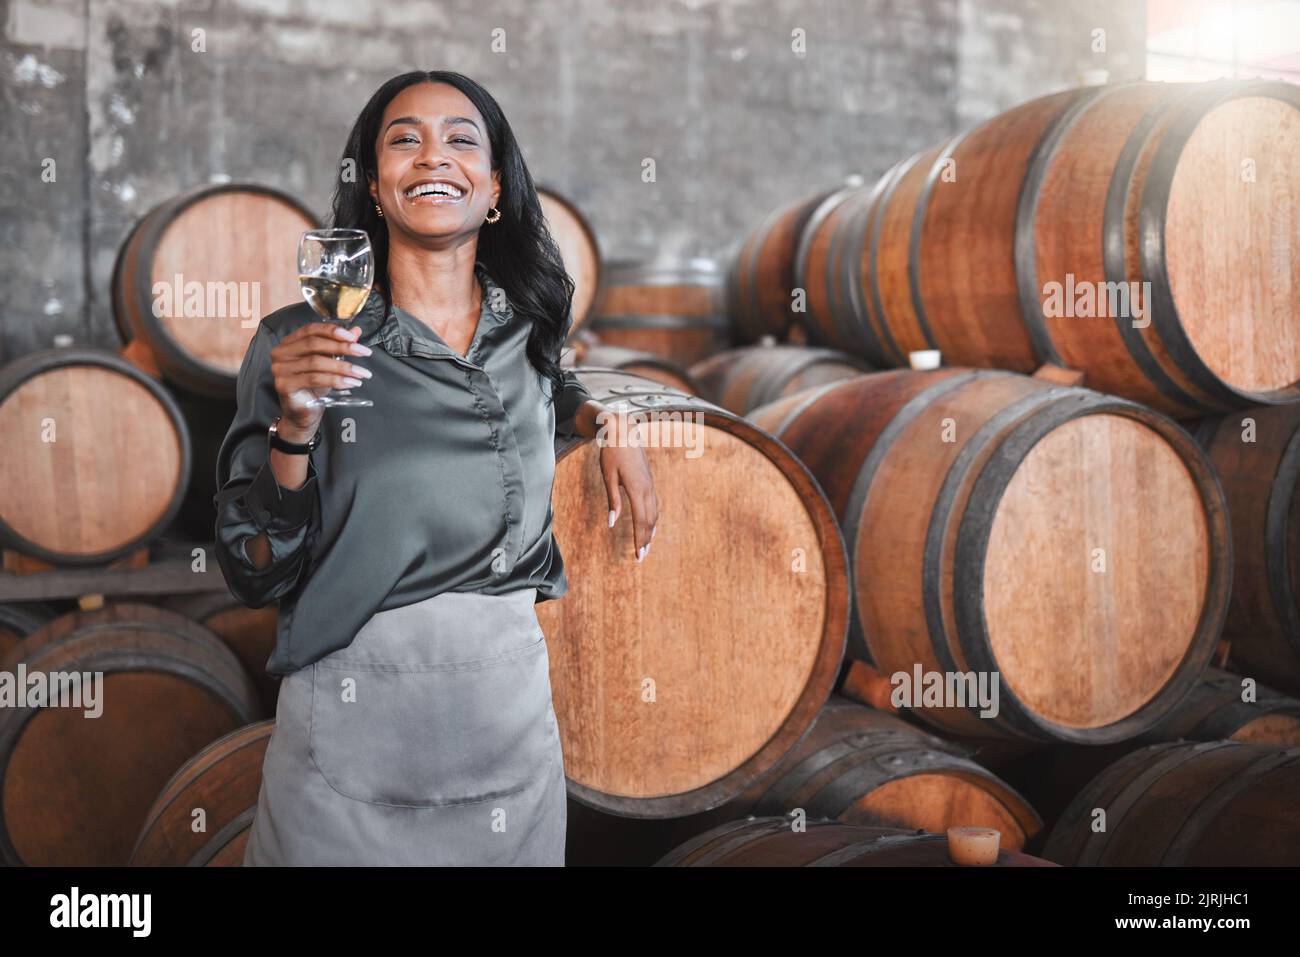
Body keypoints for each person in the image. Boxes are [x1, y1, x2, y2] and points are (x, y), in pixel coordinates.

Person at [213, 70, 659, 866]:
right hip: (352, 731)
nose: (432, 156)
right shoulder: (301, 342)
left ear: (493, 187)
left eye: (461, 139)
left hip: (509, 730)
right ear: (375, 187)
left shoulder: (526, 331)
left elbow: (557, 388)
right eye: (403, 139)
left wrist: (609, 418)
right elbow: (253, 570)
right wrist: (295, 427)